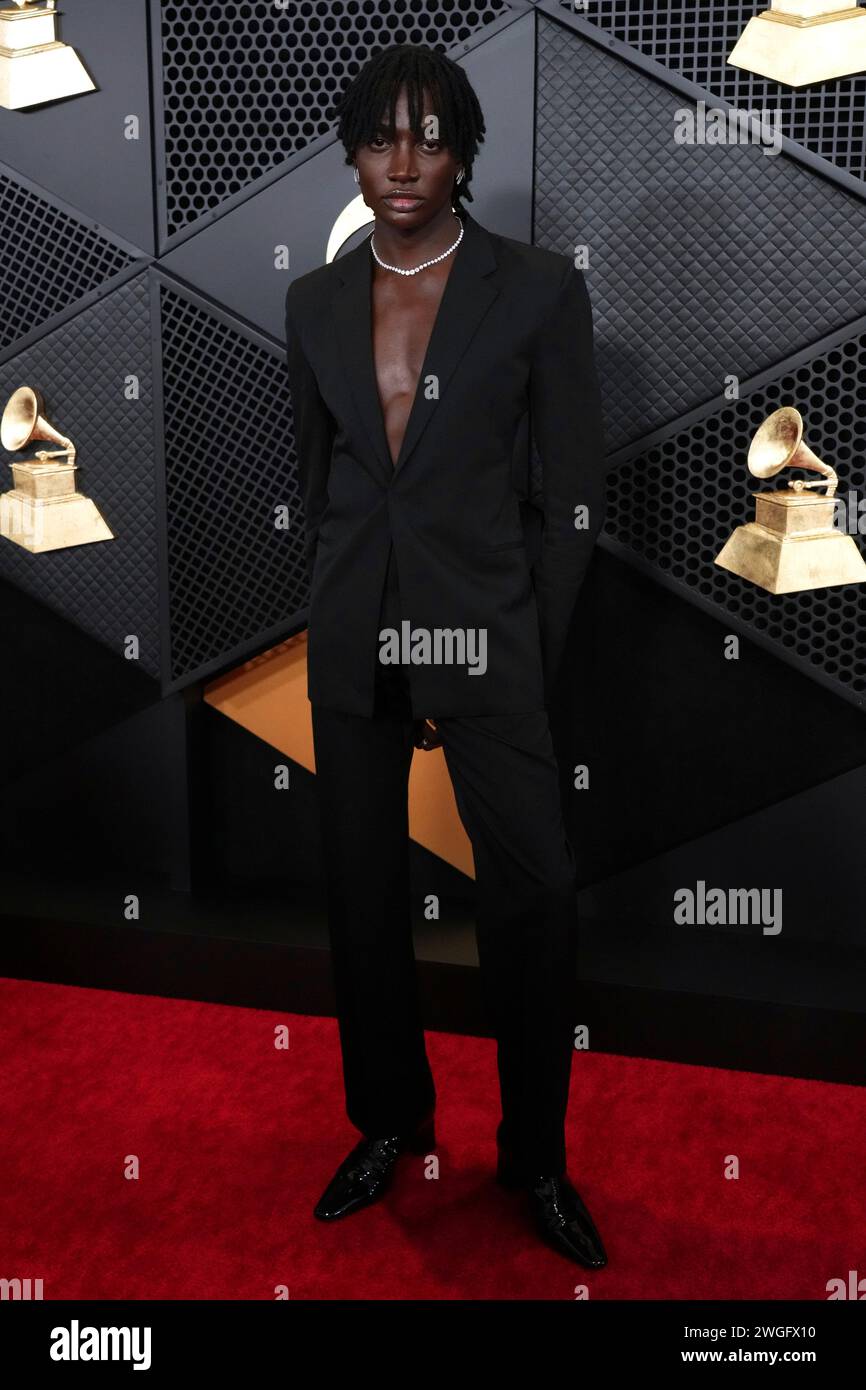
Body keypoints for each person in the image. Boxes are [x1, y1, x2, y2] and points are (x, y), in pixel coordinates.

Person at [284, 42, 608, 1268]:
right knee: (361, 896)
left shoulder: (531, 290)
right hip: (355, 627)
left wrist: (519, 645)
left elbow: (573, 494)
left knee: (531, 896)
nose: (402, 163)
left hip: (487, 632)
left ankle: (534, 1156)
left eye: (427, 136)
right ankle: (389, 1123)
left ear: (462, 150)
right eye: (379, 137)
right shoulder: (313, 301)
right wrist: (340, 610)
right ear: (352, 152)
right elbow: (319, 484)